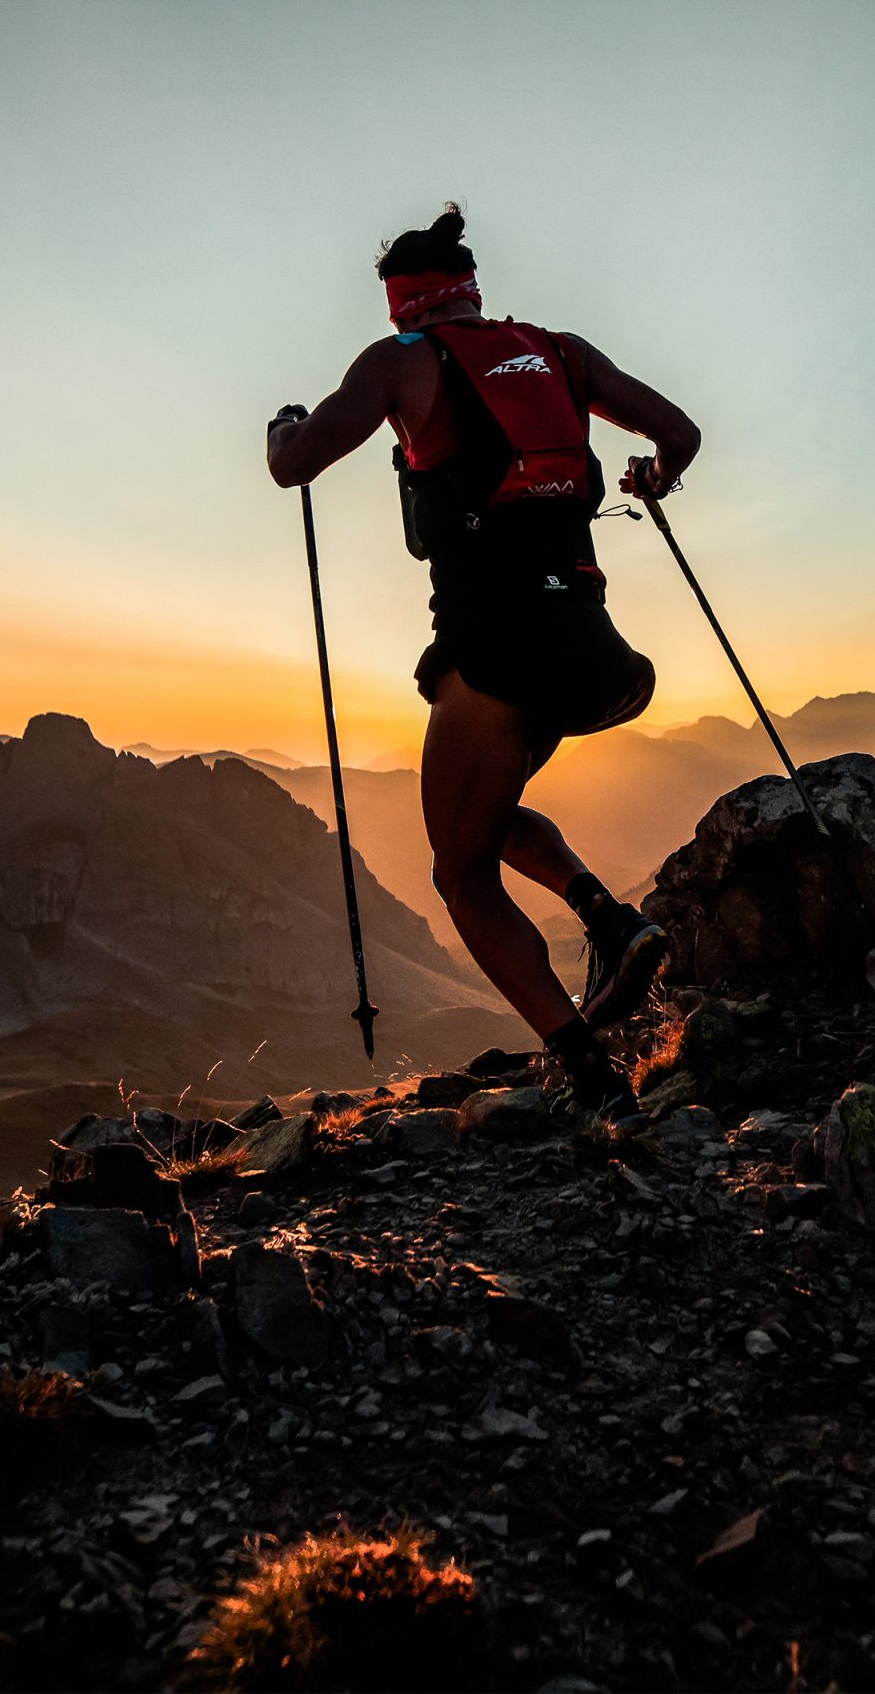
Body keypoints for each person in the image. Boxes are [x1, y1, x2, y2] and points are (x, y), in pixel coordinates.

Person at [267, 206, 701, 1120]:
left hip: (495, 649)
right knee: (484, 816)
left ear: (403, 305)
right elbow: (681, 434)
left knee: (458, 876)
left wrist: (283, 428)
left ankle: (590, 1079)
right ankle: (608, 917)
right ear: (468, 287)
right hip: (592, 645)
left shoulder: (401, 364)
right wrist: (650, 481)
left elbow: (295, 465)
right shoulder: (562, 353)